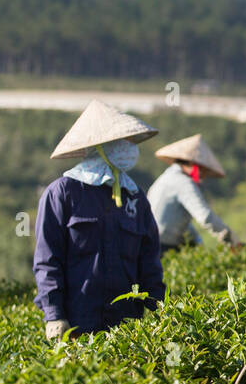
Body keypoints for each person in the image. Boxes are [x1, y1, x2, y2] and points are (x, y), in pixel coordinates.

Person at [33, 100, 165, 340]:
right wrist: (54, 315)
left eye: (128, 142)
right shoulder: (62, 193)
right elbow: (47, 261)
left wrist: (160, 311)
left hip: (127, 326)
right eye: (119, 143)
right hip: (77, 322)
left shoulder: (134, 196)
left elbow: (150, 260)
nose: (128, 148)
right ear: (100, 147)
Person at [147, 134, 237, 250]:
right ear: (194, 165)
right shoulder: (183, 182)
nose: (202, 176)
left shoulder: (167, 177)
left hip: (152, 240)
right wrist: (231, 239)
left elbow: (179, 219)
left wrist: (197, 241)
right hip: (162, 246)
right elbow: (205, 216)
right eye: (203, 170)